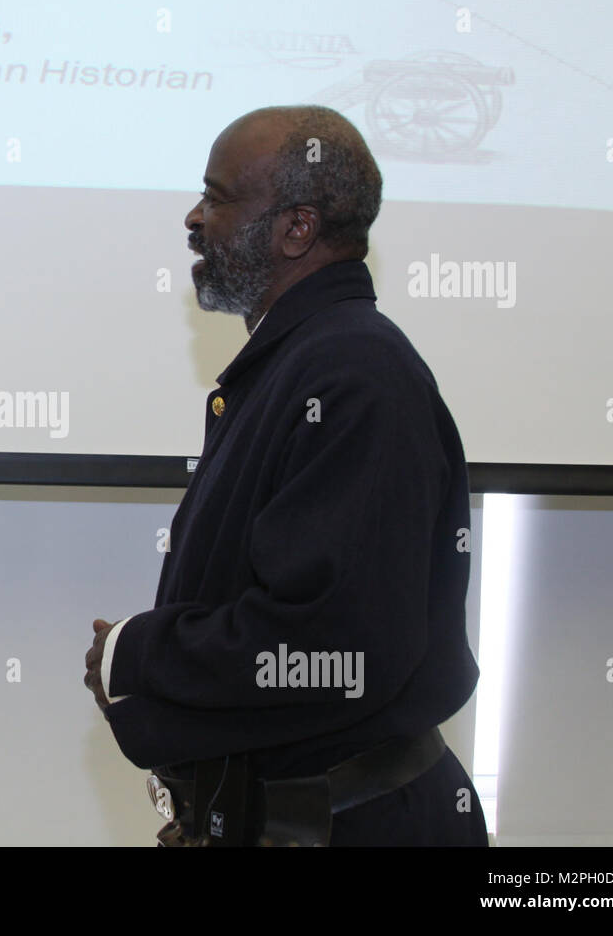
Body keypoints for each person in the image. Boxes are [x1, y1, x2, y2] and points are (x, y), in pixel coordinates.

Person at [84, 105, 487, 846]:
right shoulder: (303, 360)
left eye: (218, 197)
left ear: (297, 228)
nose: (193, 217)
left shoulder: (354, 373)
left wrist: (137, 655)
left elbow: (332, 648)